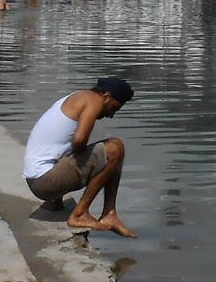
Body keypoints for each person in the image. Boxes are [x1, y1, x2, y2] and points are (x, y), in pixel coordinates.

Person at [23, 77, 135, 237]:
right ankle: (83, 214)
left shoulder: (77, 96)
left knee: (80, 149)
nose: (111, 115)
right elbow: (79, 139)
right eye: (114, 108)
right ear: (107, 97)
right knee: (114, 149)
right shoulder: (93, 99)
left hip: (36, 181)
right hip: (45, 181)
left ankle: (55, 202)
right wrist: (91, 161)